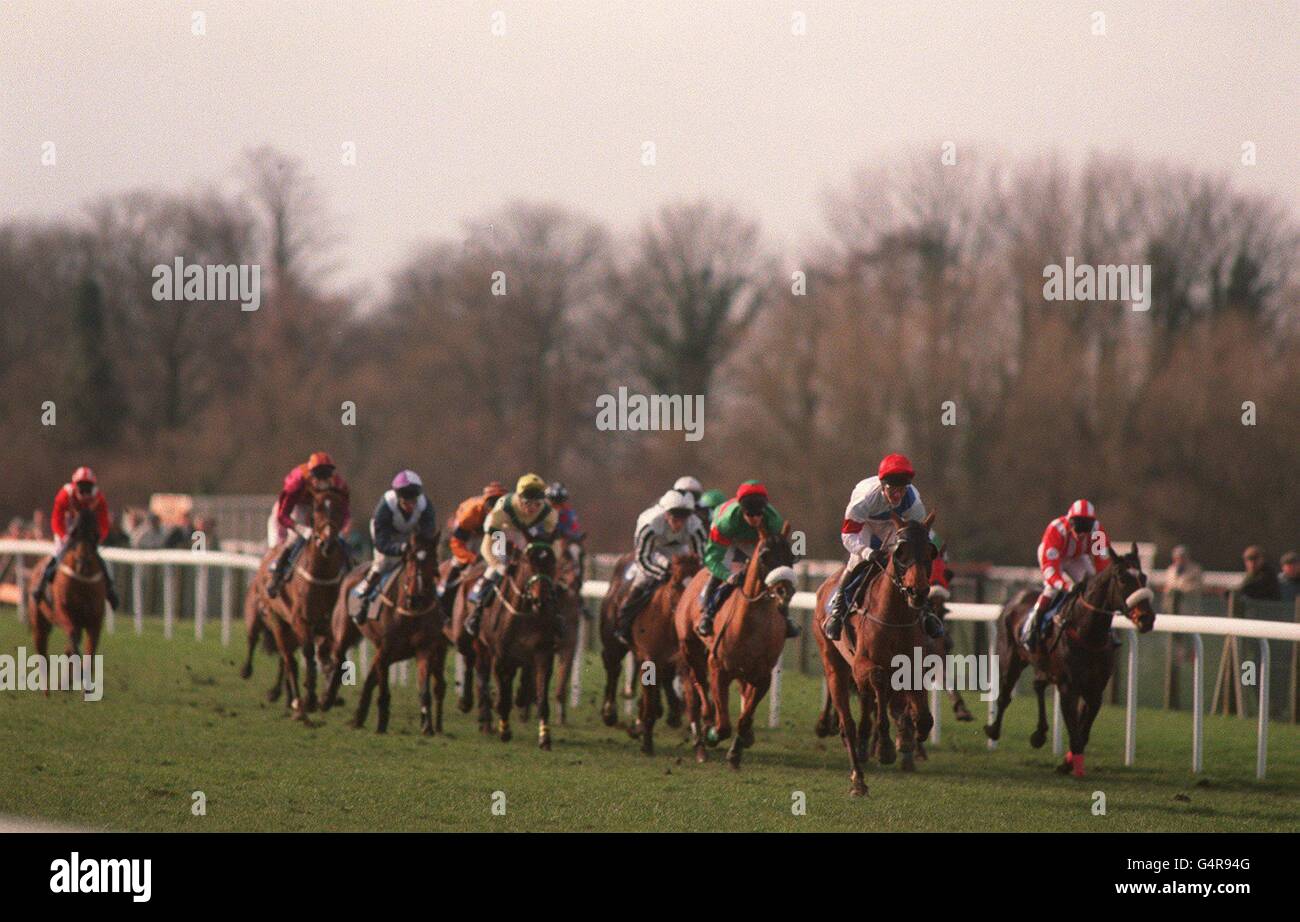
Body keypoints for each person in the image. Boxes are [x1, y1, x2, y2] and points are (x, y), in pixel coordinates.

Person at [825, 454, 942, 641]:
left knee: (905, 558)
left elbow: (917, 540)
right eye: (892, 490)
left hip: (893, 524)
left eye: (902, 490)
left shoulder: (914, 503)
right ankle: (838, 612)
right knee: (856, 561)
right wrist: (867, 552)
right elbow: (848, 535)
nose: (898, 495)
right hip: (864, 524)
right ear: (882, 486)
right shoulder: (864, 500)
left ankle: (926, 610)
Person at [697, 480, 800, 639]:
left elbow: (778, 556)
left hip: (758, 540)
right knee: (720, 573)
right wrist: (728, 576)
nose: (755, 518)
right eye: (750, 514)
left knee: (773, 571)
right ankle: (707, 614)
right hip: (731, 539)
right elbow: (712, 559)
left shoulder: (774, 521)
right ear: (741, 510)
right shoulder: (726, 522)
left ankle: (785, 616)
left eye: (759, 513)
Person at [465, 474, 558, 637]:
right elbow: (486, 546)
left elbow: (551, 546)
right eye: (528, 503)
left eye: (537, 503)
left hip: (526, 534)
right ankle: (477, 612)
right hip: (502, 532)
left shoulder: (549, 513)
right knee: (499, 566)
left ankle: (556, 616)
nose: (532, 508)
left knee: (543, 576)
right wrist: (498, 565)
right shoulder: (502, 508)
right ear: (519, 498)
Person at [613, 490, 706, 645]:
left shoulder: (695, 525)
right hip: (653, 551)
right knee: (641, 583)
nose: (680, 523)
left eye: (684, 517)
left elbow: (701, 557)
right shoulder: (650, 524)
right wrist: (661, 573)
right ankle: (623, 623)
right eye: (675, 517)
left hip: (678, 551)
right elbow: (642, 558)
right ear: (666, 514)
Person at [1021, 499, 1113, 652]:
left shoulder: (1098, 532)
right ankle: (1032, 627)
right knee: (1052, 589)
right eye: (1079, 524)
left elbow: (1102, 563)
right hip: (1055, 558)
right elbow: (1051, 571)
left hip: (1077, 557)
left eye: (1086, 525)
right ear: (1070, 521)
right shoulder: (1056, 530)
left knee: (1093, 584)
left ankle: (1104, 630)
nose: (1083, 530)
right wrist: (1066, 585)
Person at [351, 470, 438, 624]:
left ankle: (438, 605)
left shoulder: (425, 505)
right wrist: (400, 549)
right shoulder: (385, 506)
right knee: (382, 564)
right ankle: (363, 596)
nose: (411, 506)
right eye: (406, 502)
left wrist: (418, 547)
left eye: (413, 501)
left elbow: (428, 533)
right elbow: (381, 542)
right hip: (387, 536)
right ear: (398, 499)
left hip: (411, 536)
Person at [266, 452, 352, 598]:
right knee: (294, 539)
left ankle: (350, 571)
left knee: (337, 539)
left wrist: (343, 529)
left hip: (321, 508)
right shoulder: (296, 482)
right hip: (297, 506)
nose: (324, 481)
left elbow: (345, 511)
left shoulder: (339, 485)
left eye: (327, 475)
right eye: (319, 476)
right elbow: (282, 515)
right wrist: (299, 528)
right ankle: (277, 574)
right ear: (311, 475)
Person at [31, 467, 119, 609]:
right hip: (66, 531)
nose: (85, 491)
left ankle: (110, 590)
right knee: (58, 555)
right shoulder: (65, 494)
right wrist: (63, 536)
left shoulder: (98, 498)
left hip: (85, 535)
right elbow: (56, 520)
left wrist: (98, 537)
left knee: (98, 558)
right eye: (82, 486)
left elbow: (103, 523)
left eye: (88, 487)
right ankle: (40, 586)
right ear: (75, 485)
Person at [441, 481, 507, 600]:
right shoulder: (470, 514)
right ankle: (444, 590)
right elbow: (456, 544)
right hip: (469, 534)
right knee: (458, 561)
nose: (493, 509)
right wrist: (471, 558)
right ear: (485, 503)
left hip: (487, 534)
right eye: (491, 503)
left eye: (498, 504)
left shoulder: (505, 515)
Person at [1161, 544, 1204, 612]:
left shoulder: (1195, 570)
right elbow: (1167, 586)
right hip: (1171, 606)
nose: (1180, 559)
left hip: (1188, 606)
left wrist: (1181, 590)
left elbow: (1197, 586)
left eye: (1182, 557)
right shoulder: (1170, 570)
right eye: (1177, 557)